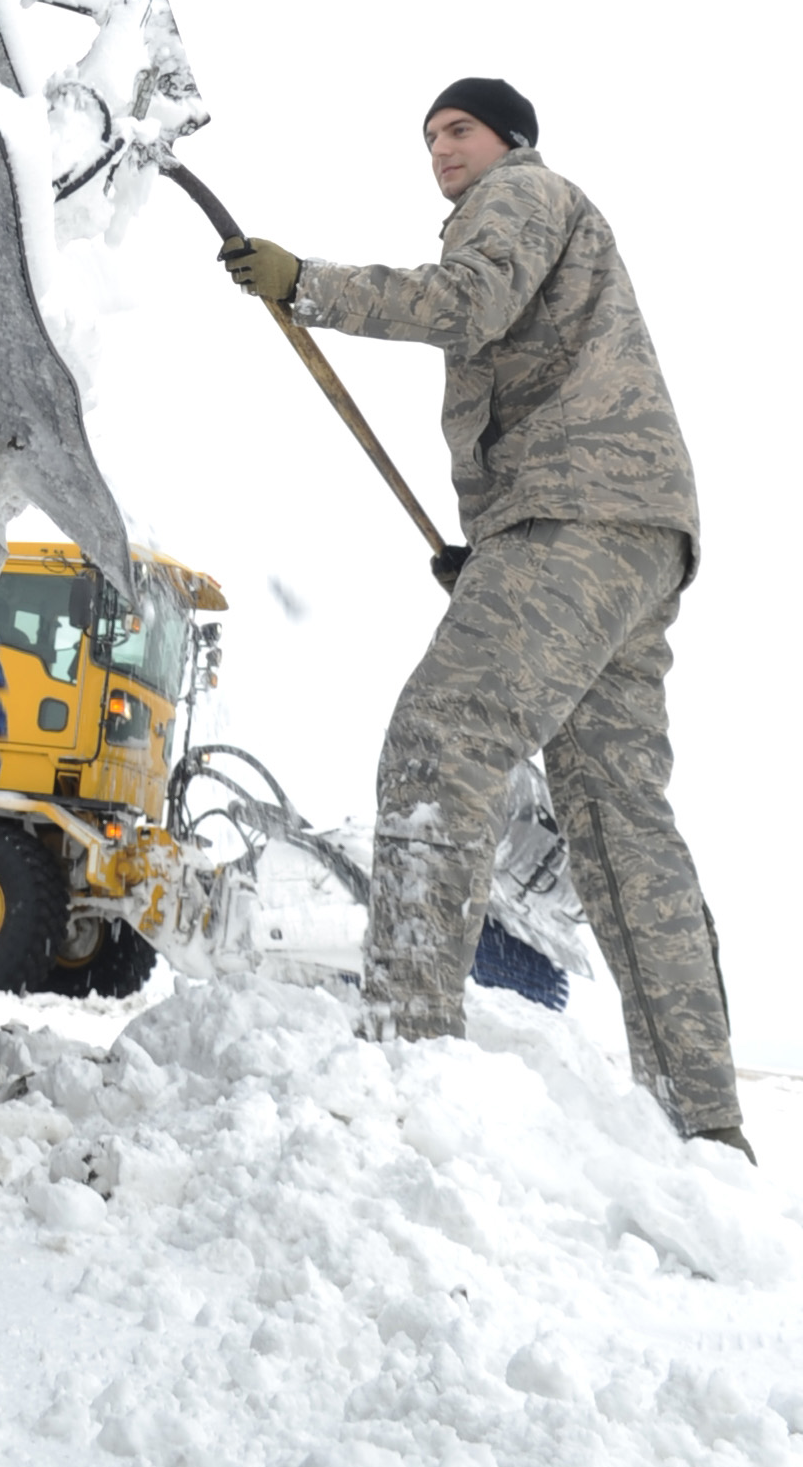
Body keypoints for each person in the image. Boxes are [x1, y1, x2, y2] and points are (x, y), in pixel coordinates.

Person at [218, 77, 748, 1158]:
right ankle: (705, 1126)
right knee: (615, 817)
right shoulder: (556, 218)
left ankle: (405, 1059)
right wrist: (495, 547)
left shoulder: (521, 195)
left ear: (507, 137)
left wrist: (306, 282)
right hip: (629, 531)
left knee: (441, 743)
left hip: (580, 512)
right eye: (428, 139)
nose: (440, 152)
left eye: (457, 129)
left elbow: (464, 302)